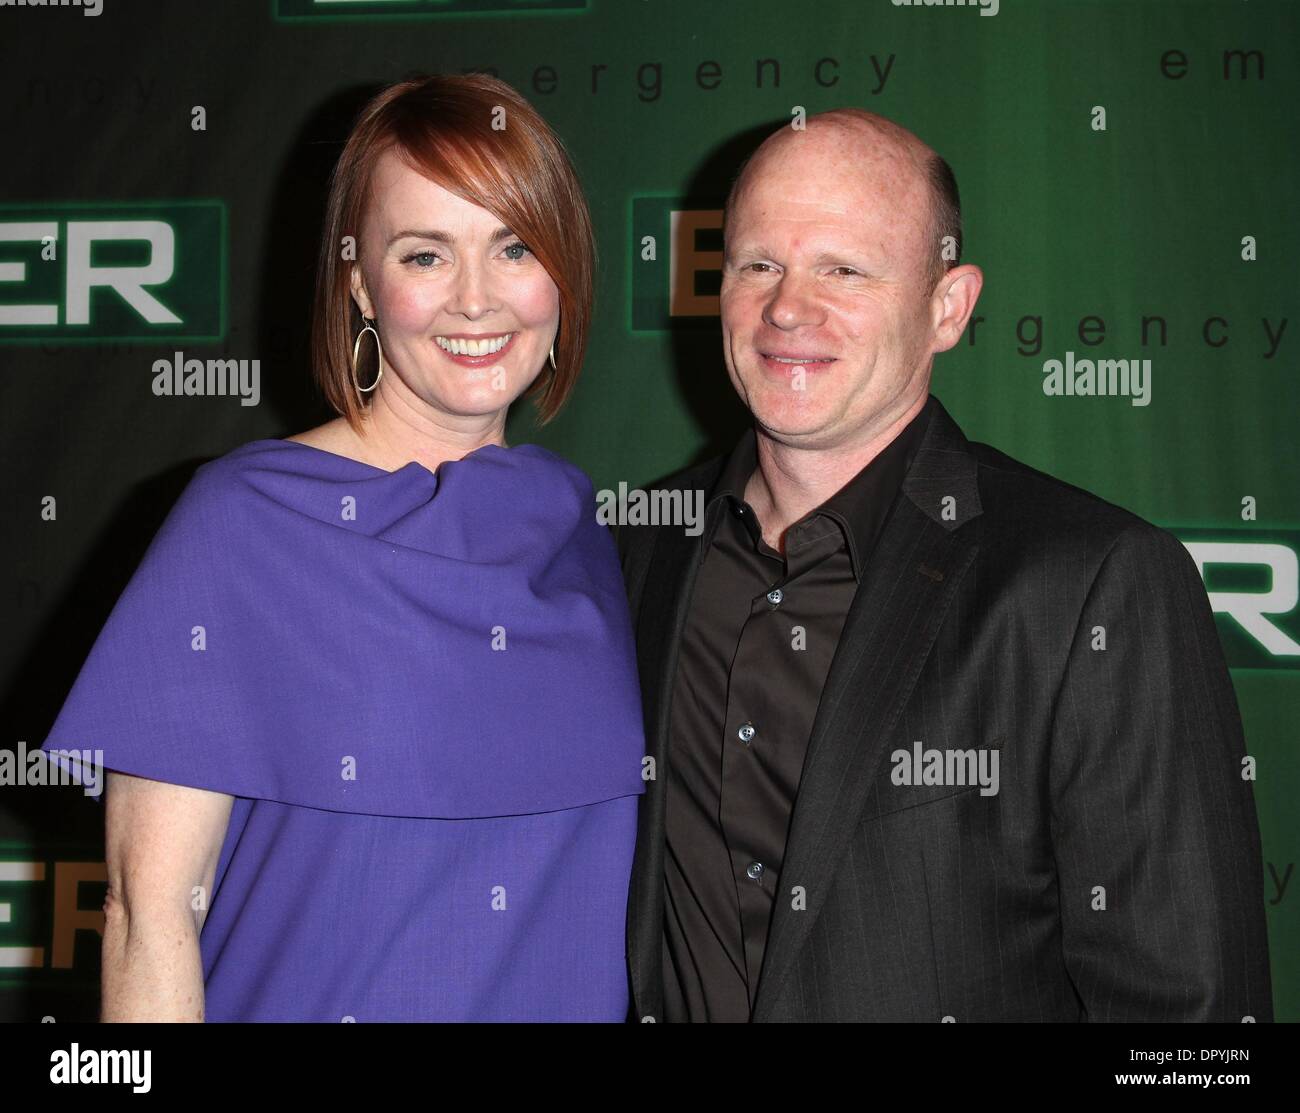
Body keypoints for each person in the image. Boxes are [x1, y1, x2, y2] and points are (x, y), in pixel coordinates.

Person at [614, 108, 1273, 1022]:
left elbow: (1190, 1026)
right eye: (758, 263)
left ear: (948, 307)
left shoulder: (1092, 581)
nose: (788, 307)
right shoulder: (633, 552)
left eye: (843, 269)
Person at [42, 74, 645, 1022]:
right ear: (361, 281)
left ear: (562, 272)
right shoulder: (247, 521)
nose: (478, 301)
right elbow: (143, 914)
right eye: (425, 254)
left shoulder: (578, 532)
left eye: (516, 245)